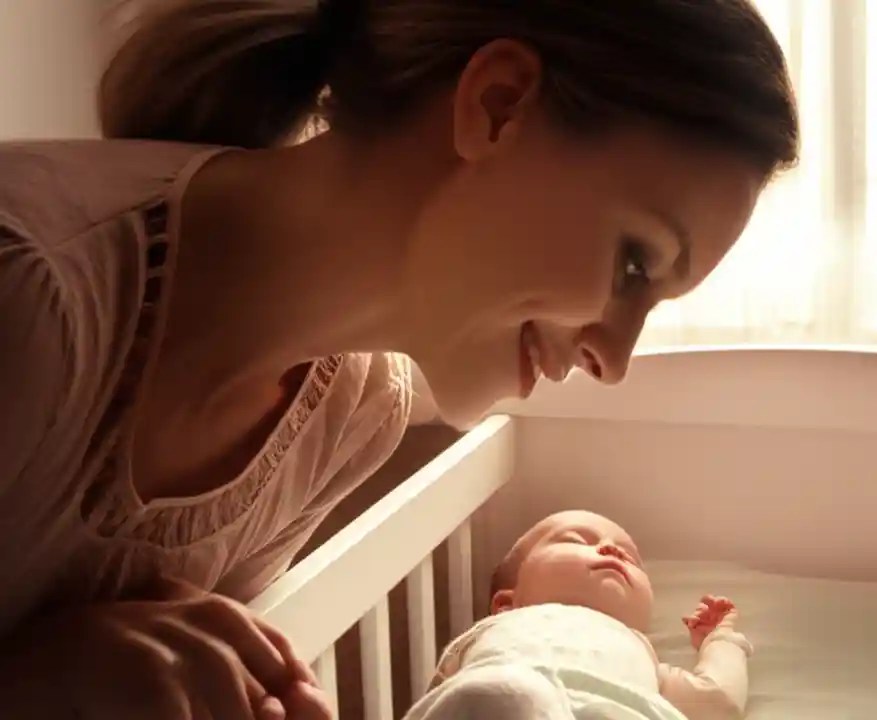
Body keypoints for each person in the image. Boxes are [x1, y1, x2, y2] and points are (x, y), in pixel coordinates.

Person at [0, 0, 798, 717]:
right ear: (498, 106)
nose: (612, 357)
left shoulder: (354, 413)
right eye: (634, 263)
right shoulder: (30, 293)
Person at [412, 510, 751, 720]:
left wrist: (721, 640)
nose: (612, 548)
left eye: (632, 559)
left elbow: (717, 701)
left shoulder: (642, 657)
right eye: (577, 539)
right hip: (507, 703)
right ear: (506, 603)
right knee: (501, 693)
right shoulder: (493, 632)